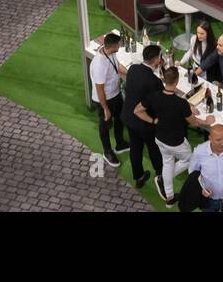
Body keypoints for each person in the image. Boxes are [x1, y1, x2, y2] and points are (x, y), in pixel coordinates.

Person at [134, 66, 216, 206]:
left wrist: (153, 120)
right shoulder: (181, 103)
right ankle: (164, 179)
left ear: (163, 79)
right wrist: (206, 121)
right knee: (189, 160)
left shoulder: (155, 96)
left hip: (159, 138)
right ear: (177, 81)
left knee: (167, 162)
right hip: (176, 142)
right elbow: (194, 122)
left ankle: (170, 197)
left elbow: (137, 110)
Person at [122, 43, 166, 192]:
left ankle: (139, 177)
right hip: (145, 122)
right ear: (156, 60)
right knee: (154, 148)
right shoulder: (155, 82)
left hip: (128, 117)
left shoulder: (133, 69)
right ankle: (160, 176)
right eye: (160, 57)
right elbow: (159, 103)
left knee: (135, 147)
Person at [90, 32, 129, 167]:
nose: (120, 46)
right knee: (105, 125)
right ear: (113, 46)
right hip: (105, 99)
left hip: (115, 93)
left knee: (120, 118)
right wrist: (105, 108)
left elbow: (116, 65)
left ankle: (120, 143)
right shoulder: (99, 64)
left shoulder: (110, 52)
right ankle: (107, 152)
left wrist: (130, 74)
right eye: (118, 44)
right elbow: (99, 88)